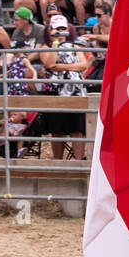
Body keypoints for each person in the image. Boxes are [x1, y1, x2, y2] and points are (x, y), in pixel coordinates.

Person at [39, 14, 90, 159]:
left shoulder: (75, 46)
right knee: (56, 130)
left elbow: (83, 65)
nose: (60, 32)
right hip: (55, 92)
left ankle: (79, 161)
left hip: (75, 91)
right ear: (51, 30)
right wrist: (55, 43)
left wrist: (61, 67)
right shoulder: (47, 47)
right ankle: (58, 162)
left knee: (77, 129)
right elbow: (50, 64)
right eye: (57, 29)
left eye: (62, 28)